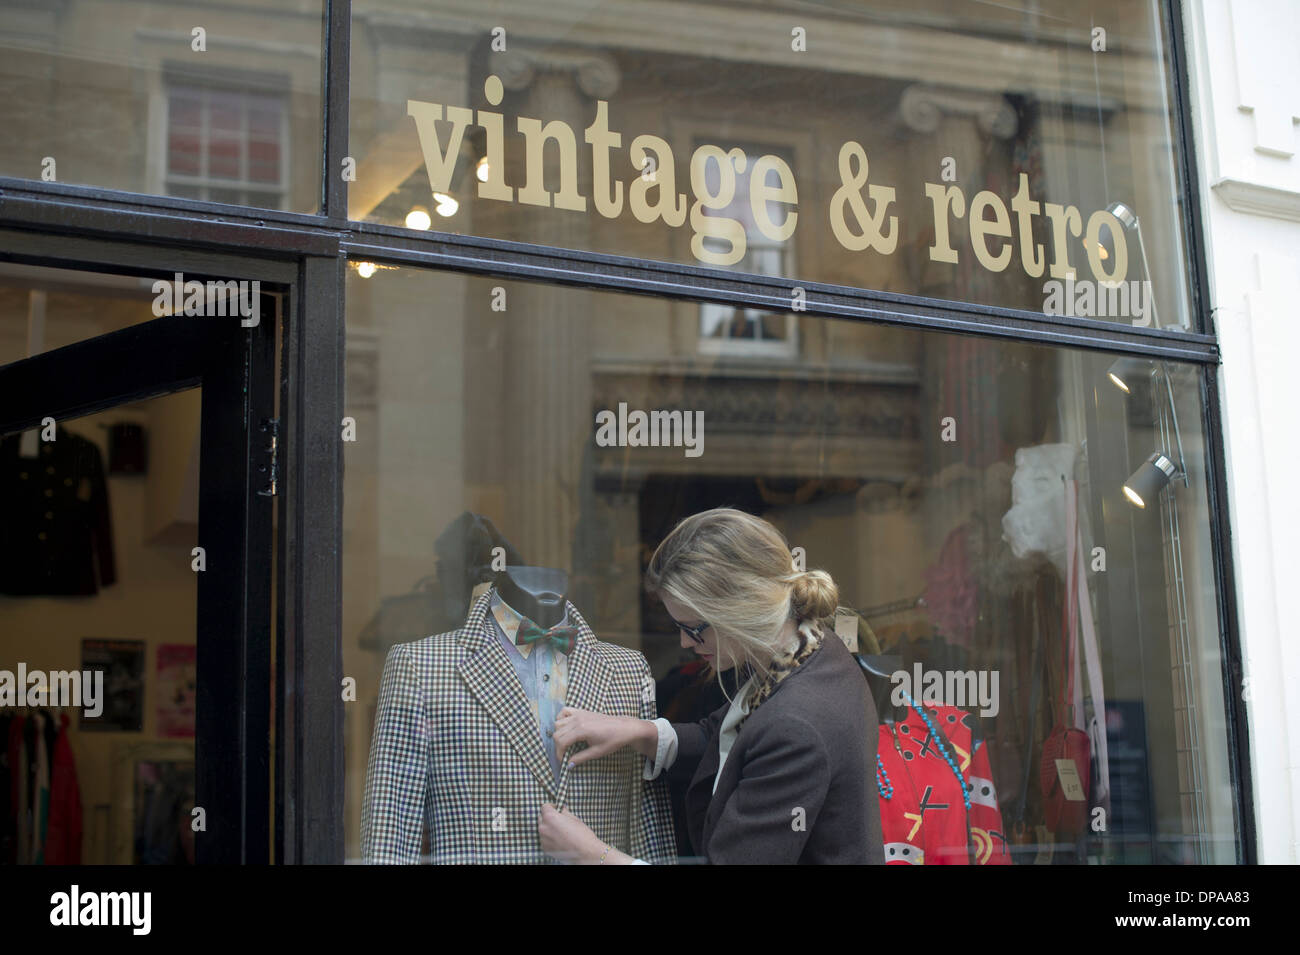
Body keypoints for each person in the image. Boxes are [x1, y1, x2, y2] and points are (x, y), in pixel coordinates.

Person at [538, 507, 885, 864]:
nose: (686, 644)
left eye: (692, 628)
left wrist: (591, 854)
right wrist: (640, 732)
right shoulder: (810, 649)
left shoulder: (795, 725)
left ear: (738, 609)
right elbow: (730, 739)